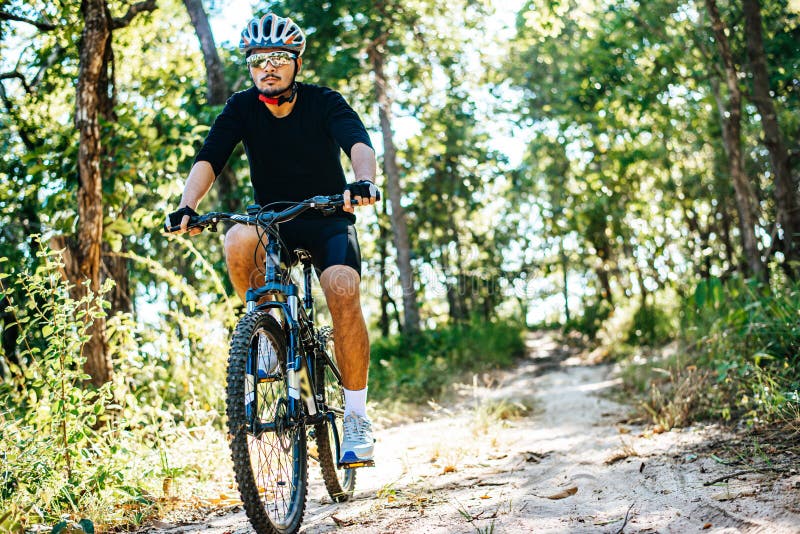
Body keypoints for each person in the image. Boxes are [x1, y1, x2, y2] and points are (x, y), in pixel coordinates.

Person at [167, 12, 379, 465]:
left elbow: (358, 142)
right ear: (250, 65)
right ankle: (267, 334)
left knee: (342, 289)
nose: (269, 66)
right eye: (259, 58)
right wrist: (188, 205)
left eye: (279, 57)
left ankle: (357, 418)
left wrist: (362, 182)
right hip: (273, 220)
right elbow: (211, 157)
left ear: (296, 64)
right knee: (237, 236)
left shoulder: (325, 102)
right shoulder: (241, 108)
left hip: (327, 217)